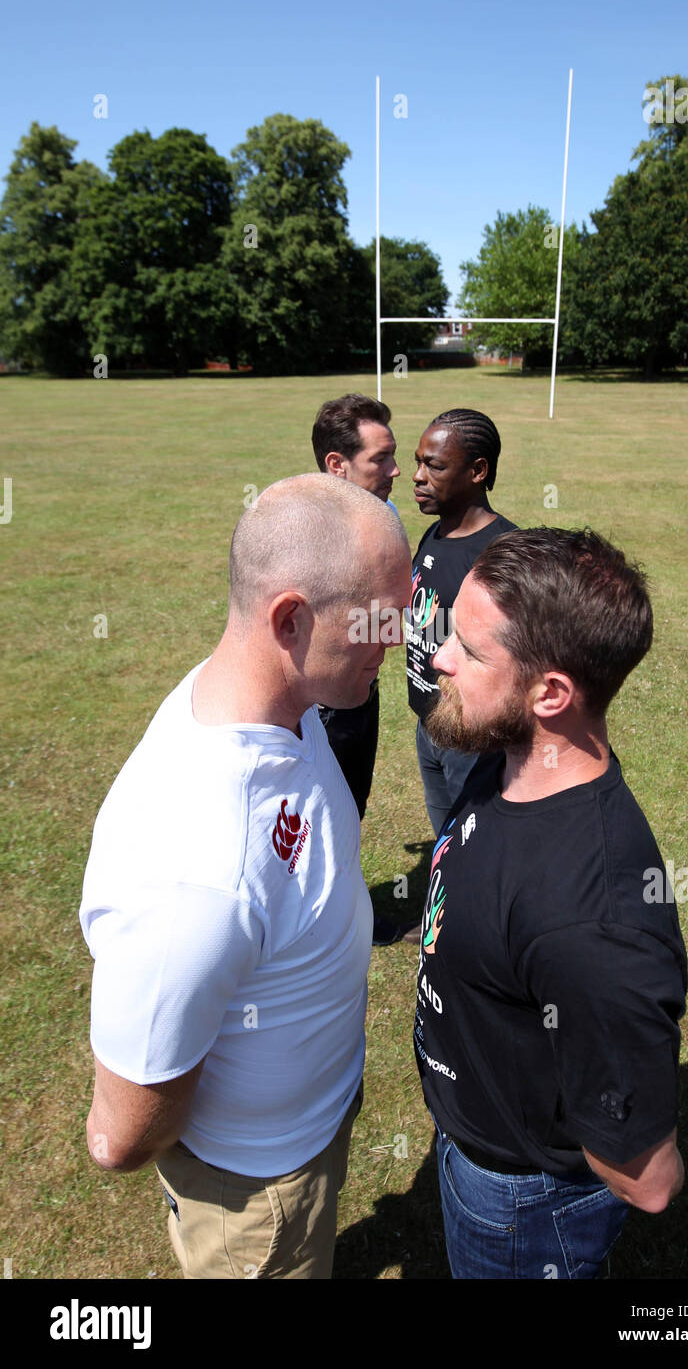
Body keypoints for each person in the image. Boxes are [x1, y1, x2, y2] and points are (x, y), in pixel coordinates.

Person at [80, 475, 410, 1279]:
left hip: (306, 1125)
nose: (399, 639)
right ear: (291, 619)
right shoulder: (196, 867)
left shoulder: (287, 705)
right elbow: (119, 1135)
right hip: (259, 1198)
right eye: (379, 618)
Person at [414, 527, 688, 1280]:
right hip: (475, 1146)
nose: (438, 658)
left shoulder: (593, 926)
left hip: (522, 1208)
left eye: (468, 651)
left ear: (551, 694)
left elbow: (649, 1180)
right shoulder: (503, 758)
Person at [312, 393, 413, 945]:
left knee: (349, 810)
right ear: (337, 463)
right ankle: (317, 927)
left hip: (361, 693)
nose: (397, 470)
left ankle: (344, 916)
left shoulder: (383, 515)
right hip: (319, 705)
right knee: (311, 823)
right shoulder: (306, 529)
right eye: (382, 458)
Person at [406, 408, 516, 833]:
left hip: (473, 740)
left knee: (480, 848)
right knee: (447, 845)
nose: (418, 476)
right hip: (429, 726)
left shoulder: (501, 552)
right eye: (418, 461)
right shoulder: (434, 532)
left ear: (477, 470)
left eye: (434, 465)